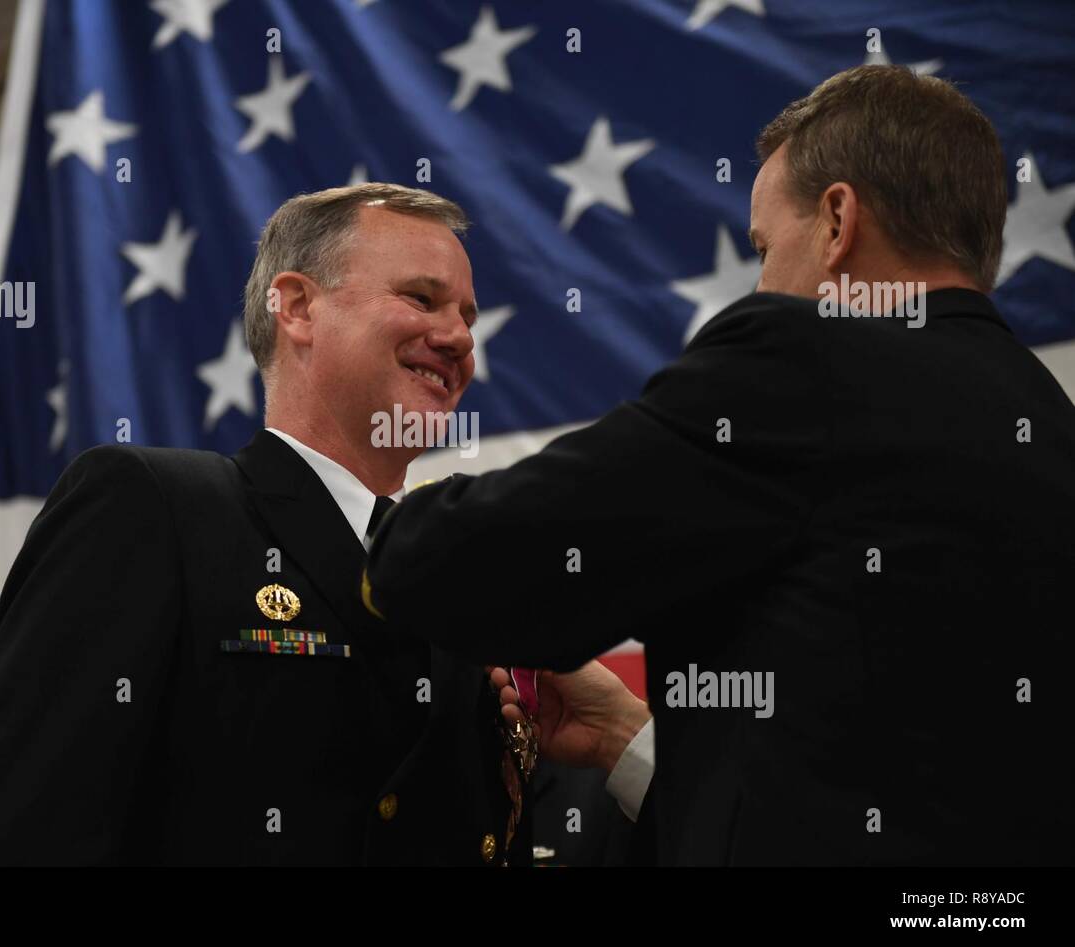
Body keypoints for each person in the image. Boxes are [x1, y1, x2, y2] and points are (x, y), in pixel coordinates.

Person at [364, 65, 1075, 865]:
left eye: (766, 248)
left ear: (838, 221)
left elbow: (471, 560)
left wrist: (380, 525)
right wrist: (631, 743)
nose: (764, 281)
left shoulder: (802, 359)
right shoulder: (1044, 418)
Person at [0, 183, 528, 865]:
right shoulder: (153, 508)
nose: (457, 338)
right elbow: (20, 837)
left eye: (467, 318)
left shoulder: (454, 591)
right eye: (421, 299)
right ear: (299, 307)